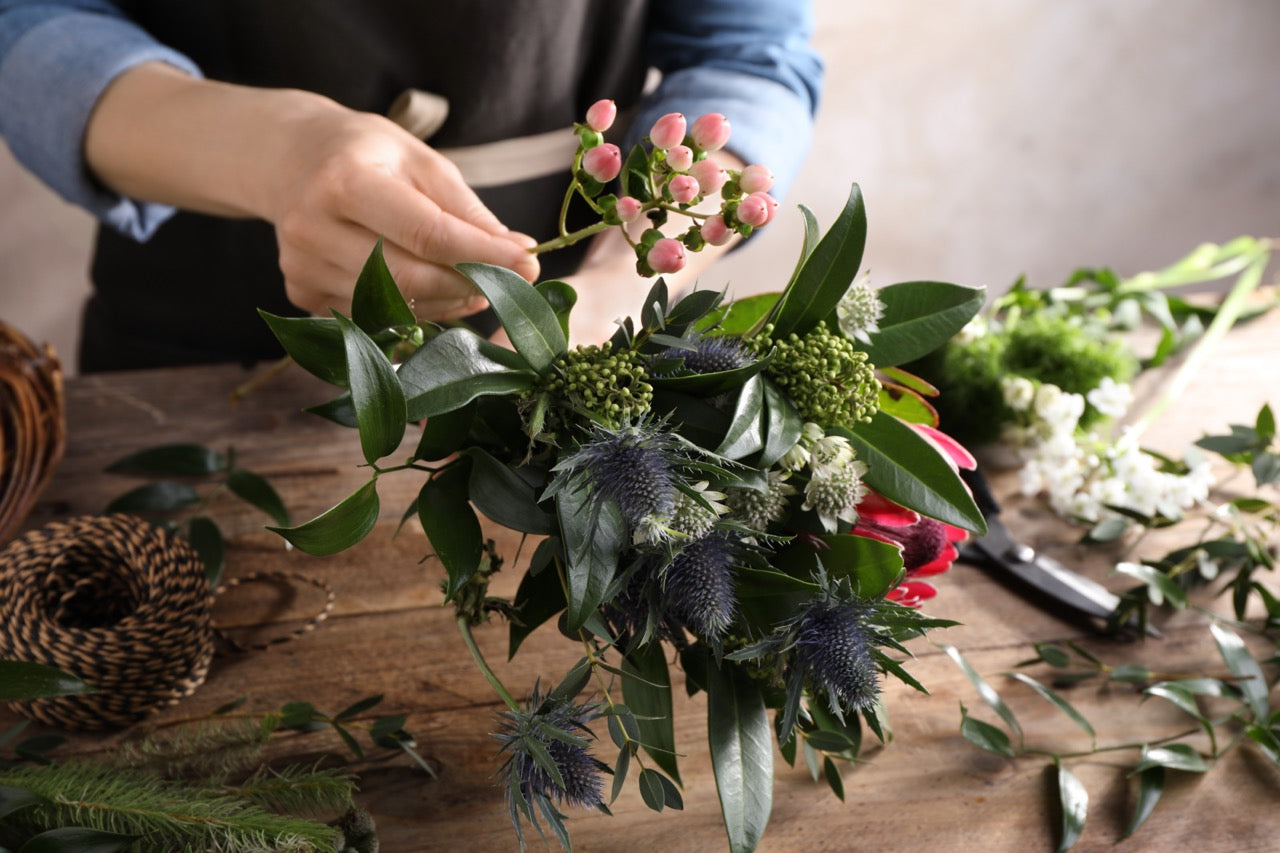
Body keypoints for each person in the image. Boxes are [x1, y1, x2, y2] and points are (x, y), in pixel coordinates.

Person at [0, 0, 823, 372]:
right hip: (195, 347)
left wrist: (626, 277)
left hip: (554, 352)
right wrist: (278, 152)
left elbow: (748, 57)